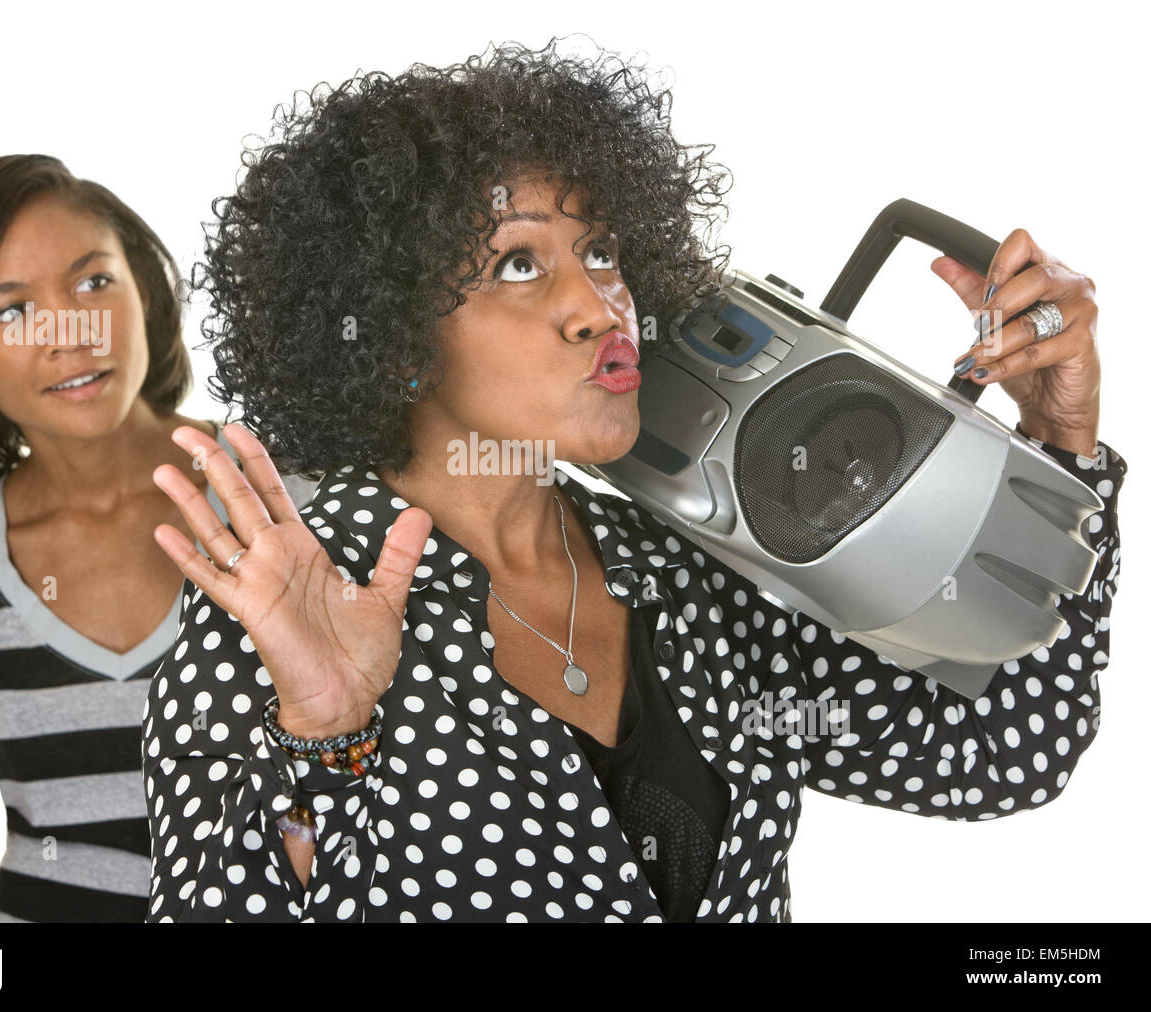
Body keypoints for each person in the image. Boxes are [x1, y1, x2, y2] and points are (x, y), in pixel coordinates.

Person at [142, 41, 1125, 922]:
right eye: (519, 264)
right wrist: (322, 733)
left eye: (603, 252)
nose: (597, 305)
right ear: (397, 337)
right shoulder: (284, 603)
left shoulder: (688, 575)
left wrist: (1056, 441)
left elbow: (999, 751)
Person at [0, 154, 317, 921]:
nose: (70, 333)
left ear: (141, 288)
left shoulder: (298, 508)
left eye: (92, 283)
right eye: (10, 311)